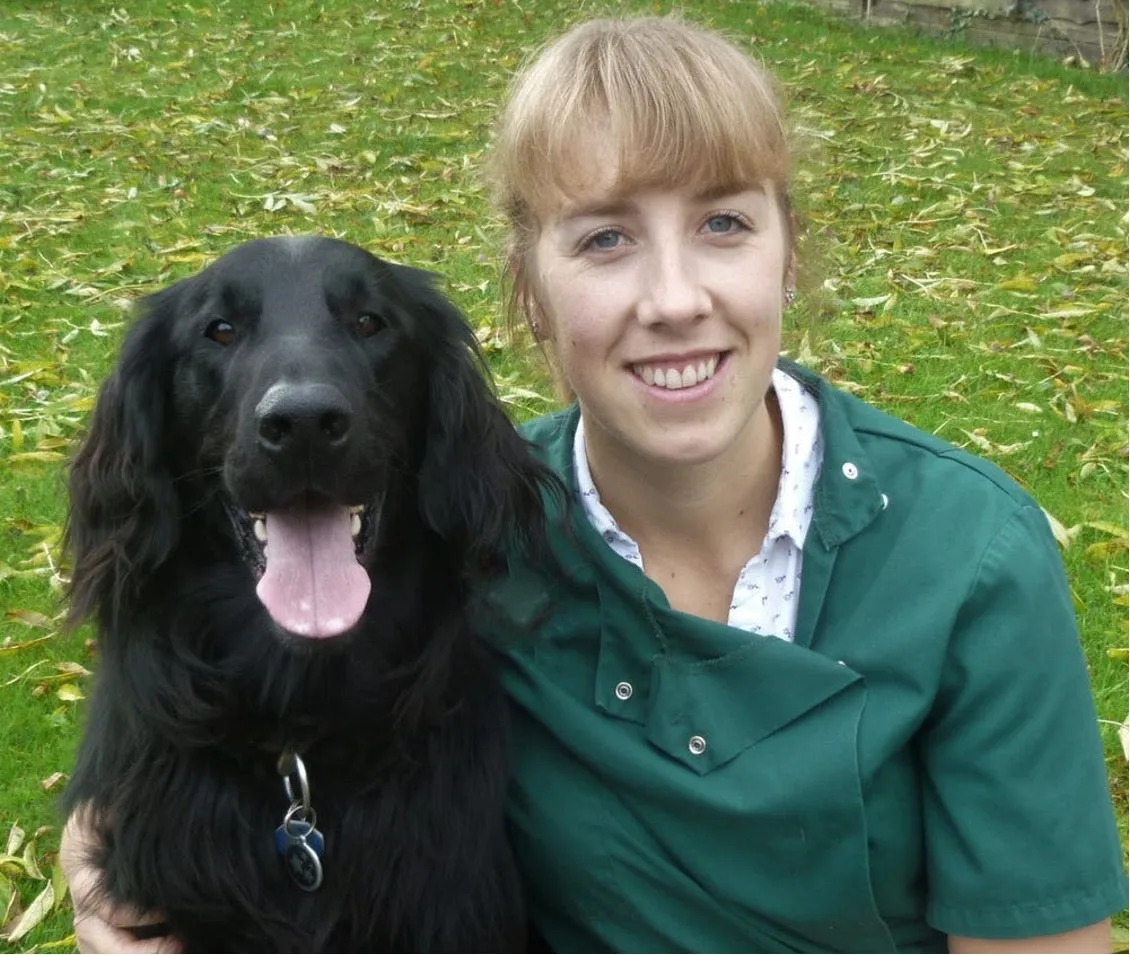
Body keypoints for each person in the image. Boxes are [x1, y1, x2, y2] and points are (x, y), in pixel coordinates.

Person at [61, 15, 1127, 954]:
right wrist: (106, 844)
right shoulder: (473, 519)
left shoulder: (968, 558)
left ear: (788, 252)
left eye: (723, 223)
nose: (672, 298)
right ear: (528, 287)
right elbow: (203, 654)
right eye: (605, 237)